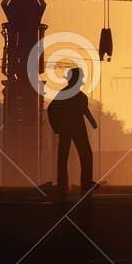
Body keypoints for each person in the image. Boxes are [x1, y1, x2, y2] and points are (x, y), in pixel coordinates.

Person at [48, 66, 98, 196]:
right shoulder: (77, 96)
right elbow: (51, 109)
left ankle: (69, 185)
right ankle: (76, 184)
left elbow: (84, 111)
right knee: (82, 155)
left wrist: (93, 122)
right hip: (74, 128)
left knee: (67, 157)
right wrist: (56, 127)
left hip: (70, 128)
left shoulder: (75, 96)